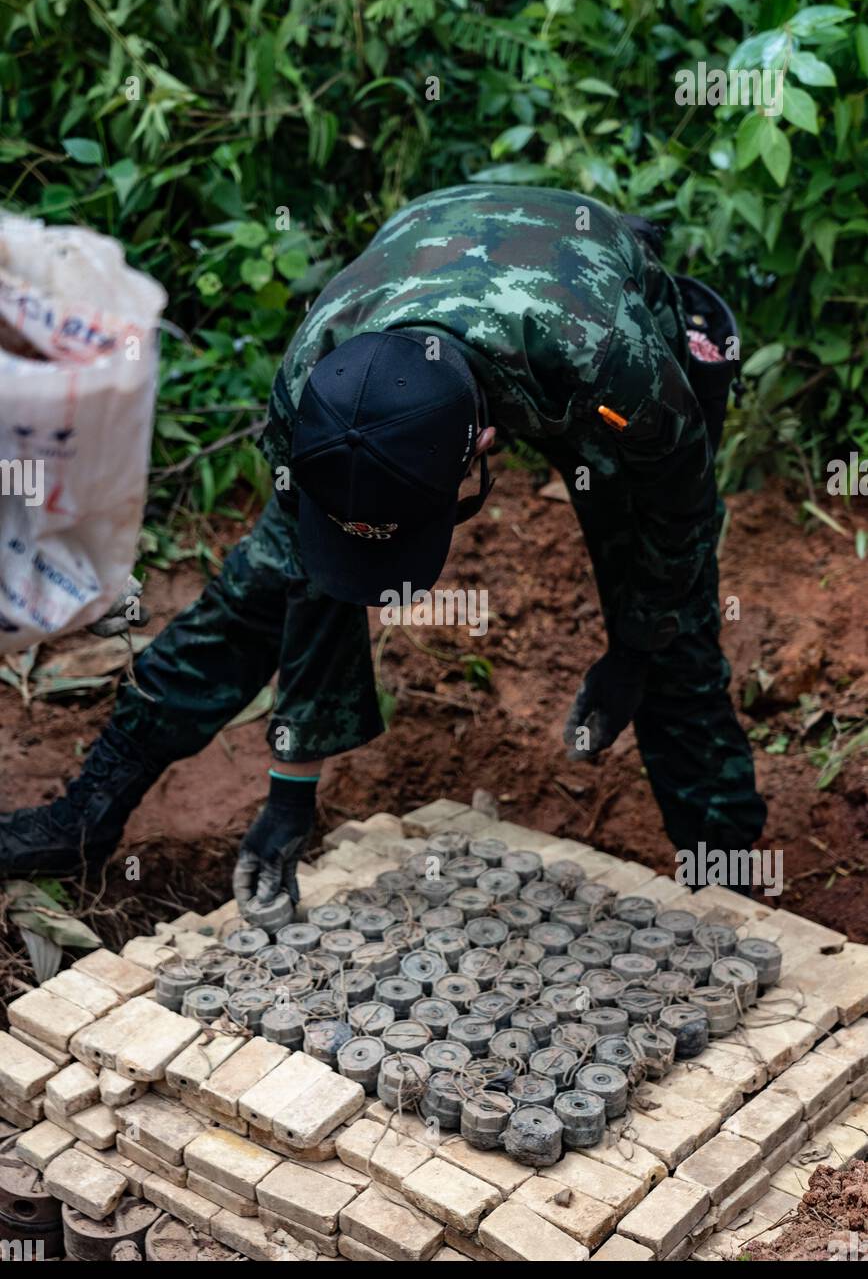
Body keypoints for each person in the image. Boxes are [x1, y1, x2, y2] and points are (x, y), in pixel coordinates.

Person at [0, 184, 766, 904]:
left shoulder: (612, 364)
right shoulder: (313, 386)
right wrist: (290, 792)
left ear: (483, 450)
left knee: (676, 639)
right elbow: (309, 582)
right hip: (431, 261)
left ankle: (727, 876)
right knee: (256, 590)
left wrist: (636, 645)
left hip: (577, 315)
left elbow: (682, 514)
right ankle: (84, 816)